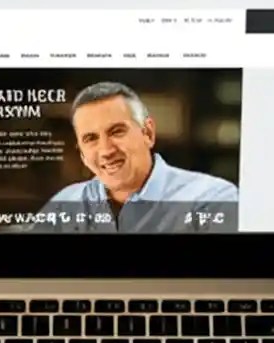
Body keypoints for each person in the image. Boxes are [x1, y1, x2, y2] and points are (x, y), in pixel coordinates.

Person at [20, 81, 238, 232]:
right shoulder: (65, 203)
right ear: (83, 154)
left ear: (147, 133)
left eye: (116, 132)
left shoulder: (212, 199)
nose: (106, 150)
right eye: (91, 138)